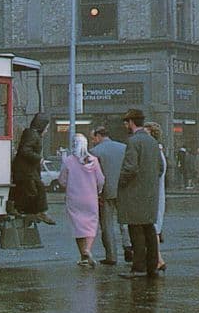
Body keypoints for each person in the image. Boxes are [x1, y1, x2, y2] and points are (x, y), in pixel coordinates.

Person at [117, 109, 164, 279]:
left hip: (134, 193)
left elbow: (130, 167)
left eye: (126, 122)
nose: (125, 125)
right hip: (150, 193)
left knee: (135, 230)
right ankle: (152, 268)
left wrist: (120, 183)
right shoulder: (152, 141)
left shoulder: (133, 142)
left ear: (130, 122)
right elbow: (161, 168)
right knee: (150, 230)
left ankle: (138, 268)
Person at [58, 133, 105, 267]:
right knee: (91, 224)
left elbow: (62, 180)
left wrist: (70, 185)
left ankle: (83, 255)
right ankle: (87, 250)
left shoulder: (68, 160)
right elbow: (100, 179)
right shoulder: (94, 160)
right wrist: (99, 190)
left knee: (78, 225)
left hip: (74, 198)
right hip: (90, 197)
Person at [89, 126, 130, 265]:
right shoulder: (123, 148)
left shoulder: (95, 152)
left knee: (107, 224)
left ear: (99, 136)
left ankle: (111, 256)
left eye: (93, 138)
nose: (93, 141)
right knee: (125, 222)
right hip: (124, 190)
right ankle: (129, 247)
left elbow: (94, 176)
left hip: (105, 192)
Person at [9, 113, 56, 224]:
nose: (47, 130)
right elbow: (25, 150)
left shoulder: (31, 134)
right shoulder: (32, 134)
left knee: (33, 189)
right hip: (25, 169)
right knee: (36, 189)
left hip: (26, 169)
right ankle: (37, 211)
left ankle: (29, 210)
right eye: (46, 127)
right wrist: (38, 158)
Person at [144, 121, 168, 271]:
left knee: (154, 228)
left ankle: (158, 259)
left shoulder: (155, 153)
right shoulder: (157, 151)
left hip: (154, 195)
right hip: (155, 194)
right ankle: (157, 258)